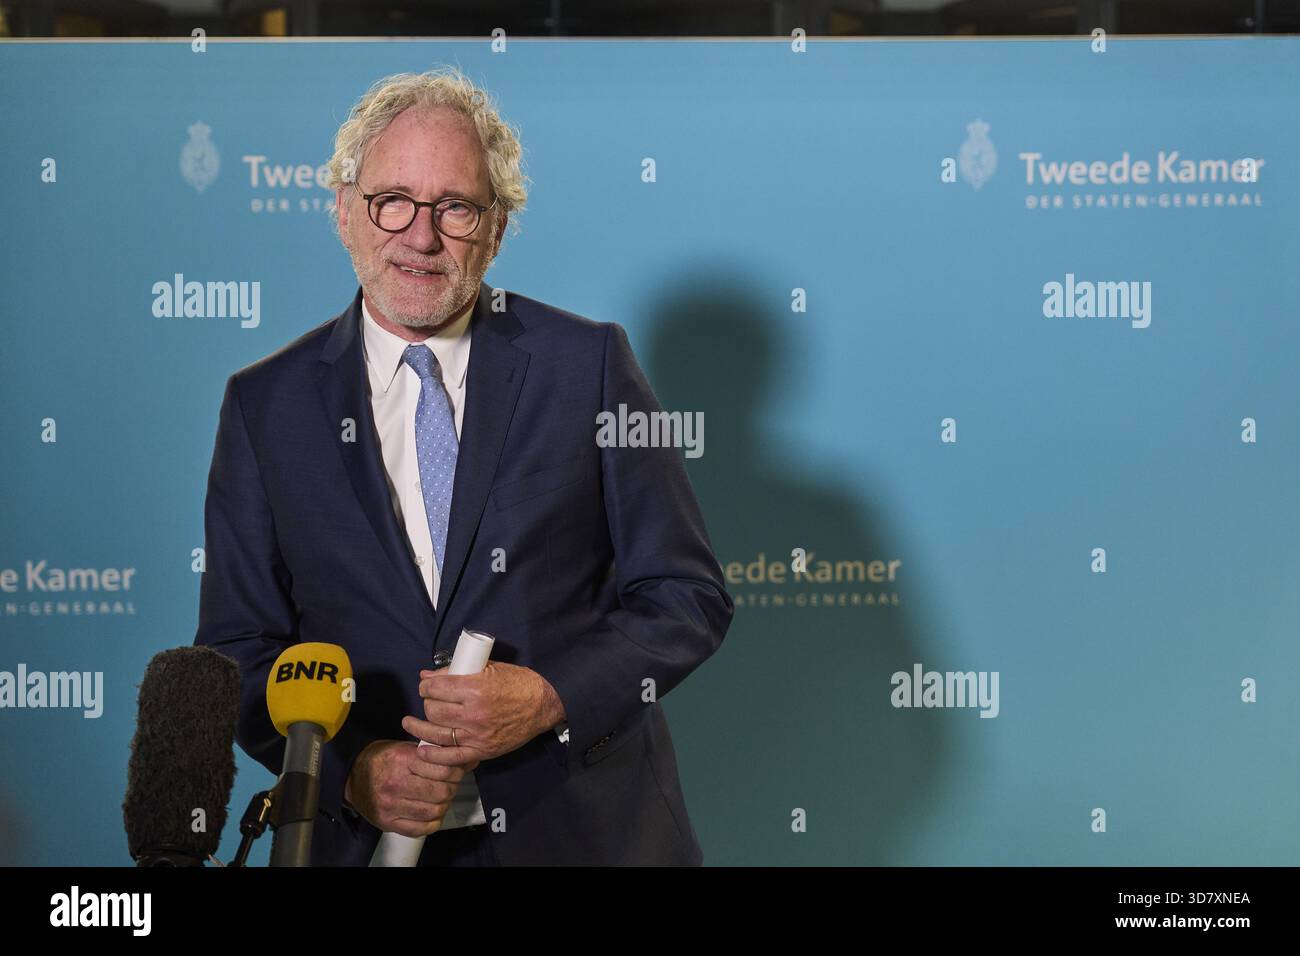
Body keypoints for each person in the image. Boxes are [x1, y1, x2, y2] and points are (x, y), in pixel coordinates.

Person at [193, 66, 733, 866]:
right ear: (345, 211)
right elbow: (237, 655)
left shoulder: (586, 367)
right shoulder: (264, 406)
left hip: (586, 835)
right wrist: (355, 773)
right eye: (393, 202)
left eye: (456, 207)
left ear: (497, 226)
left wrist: (552, 697)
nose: (421, 235)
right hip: (363, 845)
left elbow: (685, 596)